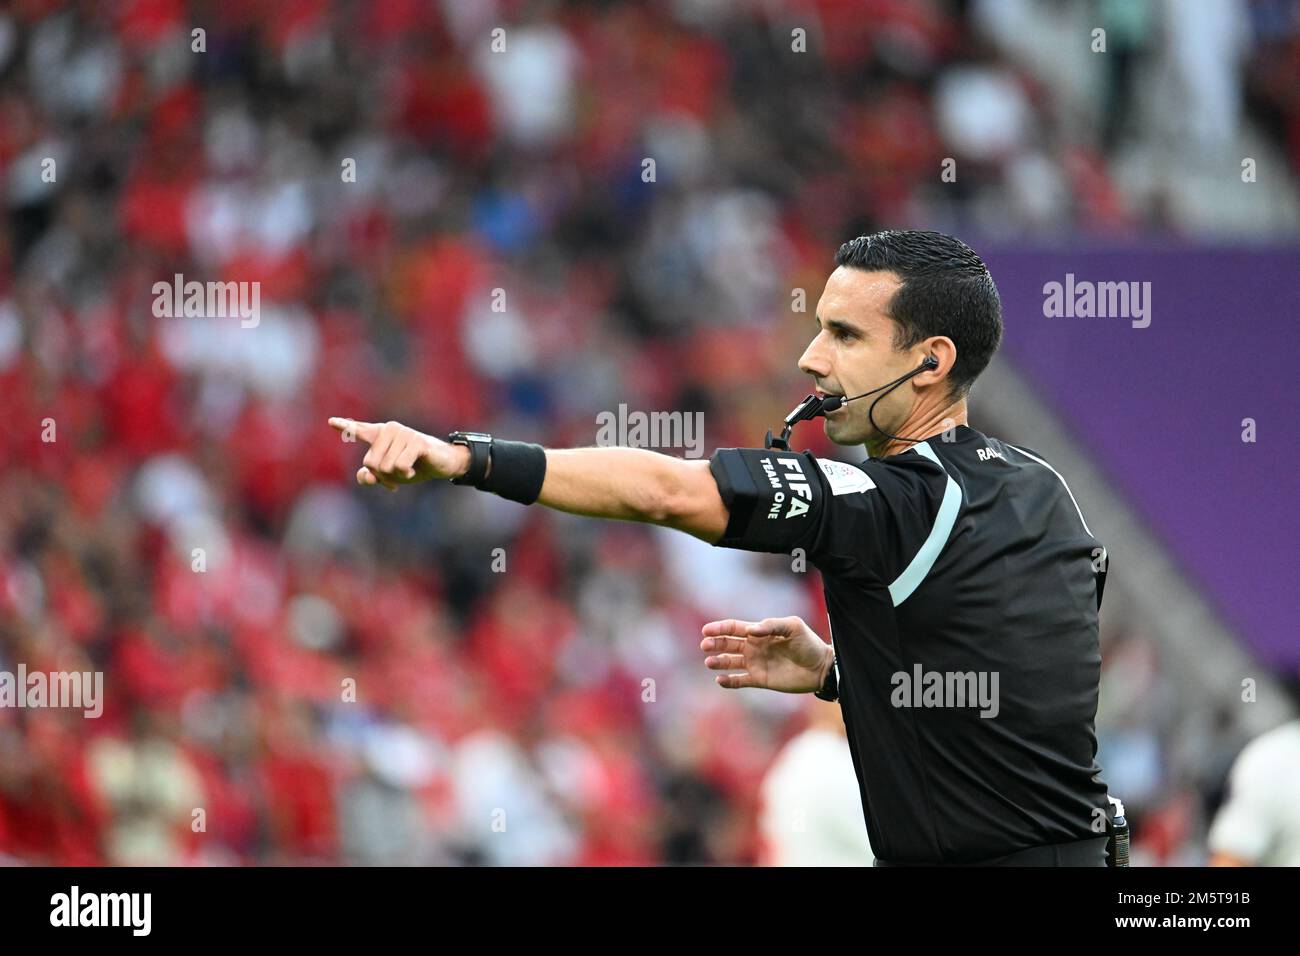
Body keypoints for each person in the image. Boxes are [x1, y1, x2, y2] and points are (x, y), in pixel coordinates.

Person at [328, 229, 1113, 865]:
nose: (811, 358)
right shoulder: (1045, 490)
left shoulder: (891, 502)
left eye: (844, 334)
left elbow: (664, 491)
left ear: (931, 361)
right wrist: (842, 673)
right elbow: (1014, 694)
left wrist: (467, 458)